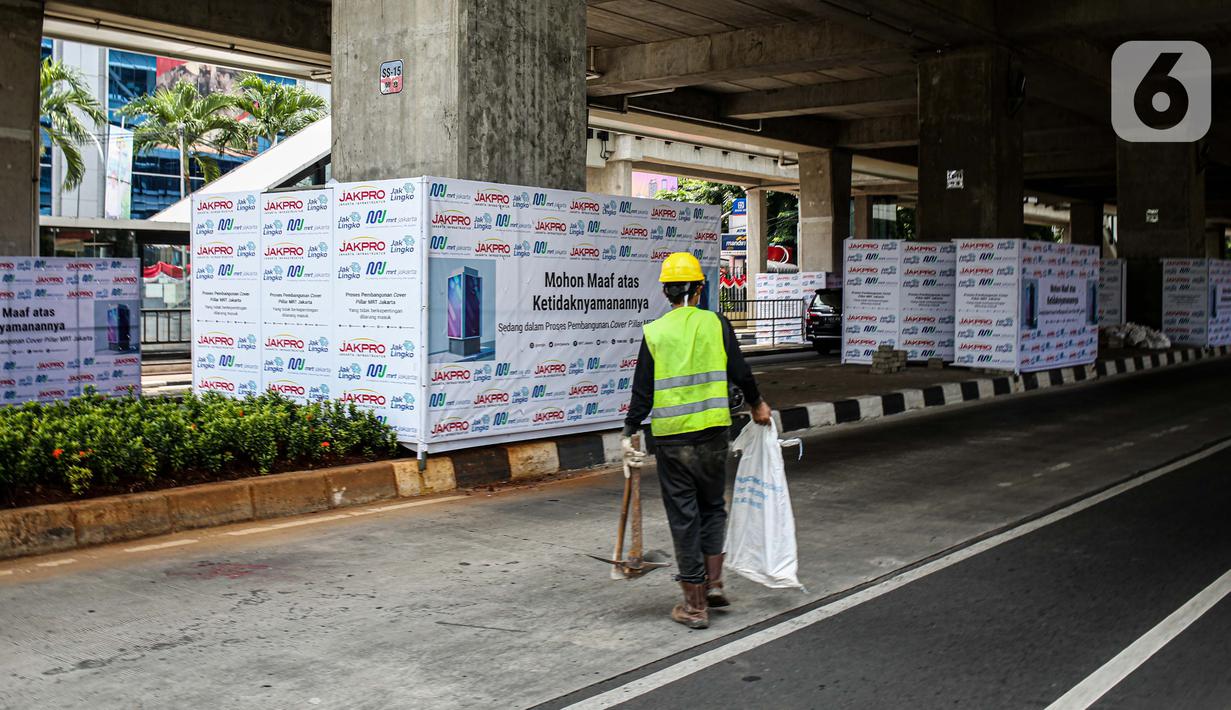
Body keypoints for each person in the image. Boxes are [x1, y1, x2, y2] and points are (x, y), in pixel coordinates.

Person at [621, 252, 772, 629]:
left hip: (672, 442)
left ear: (666, 292)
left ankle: (694, 606)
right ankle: (715, 582)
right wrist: (757, 404)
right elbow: (740, 370)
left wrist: (629, 431)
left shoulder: (655, 332)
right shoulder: (716, 323)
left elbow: (642, 391)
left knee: (684, 518)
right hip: (713, 436)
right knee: (712, 508)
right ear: (700, 289)